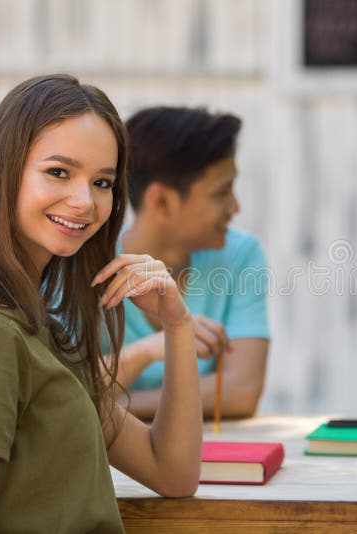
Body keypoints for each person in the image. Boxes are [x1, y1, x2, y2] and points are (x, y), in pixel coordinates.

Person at [0, 75, 202, 532]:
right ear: (6, 172)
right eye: (59, 172)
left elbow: (171, 472)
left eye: (102, 182)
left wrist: (178, 326)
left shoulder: (39, 330)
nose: (84, 201)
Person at [111, 106, 270, 420]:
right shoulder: (86, 264)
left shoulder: (240, 254)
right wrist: (146, 352)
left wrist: (111, 405)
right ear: (162, 201)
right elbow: (63, 392)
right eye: (221, 192)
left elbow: (241, 392)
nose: (235, 207)